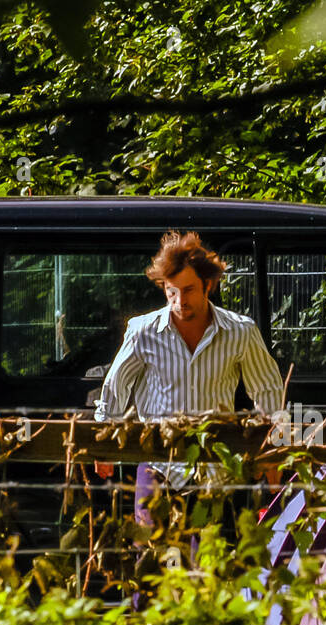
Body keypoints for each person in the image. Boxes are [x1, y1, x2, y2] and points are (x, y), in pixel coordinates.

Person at [94, 231, 285, 604]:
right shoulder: (143, 331)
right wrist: (103, 440)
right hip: (159, 467)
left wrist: (272, 448)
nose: (180, 301)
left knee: (211, 575)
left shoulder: (239, 332)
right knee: (151, 570)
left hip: (216, 470)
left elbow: (268, 392)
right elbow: (115, 388)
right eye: (171, 291)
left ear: (208, 286)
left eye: (189, 290)